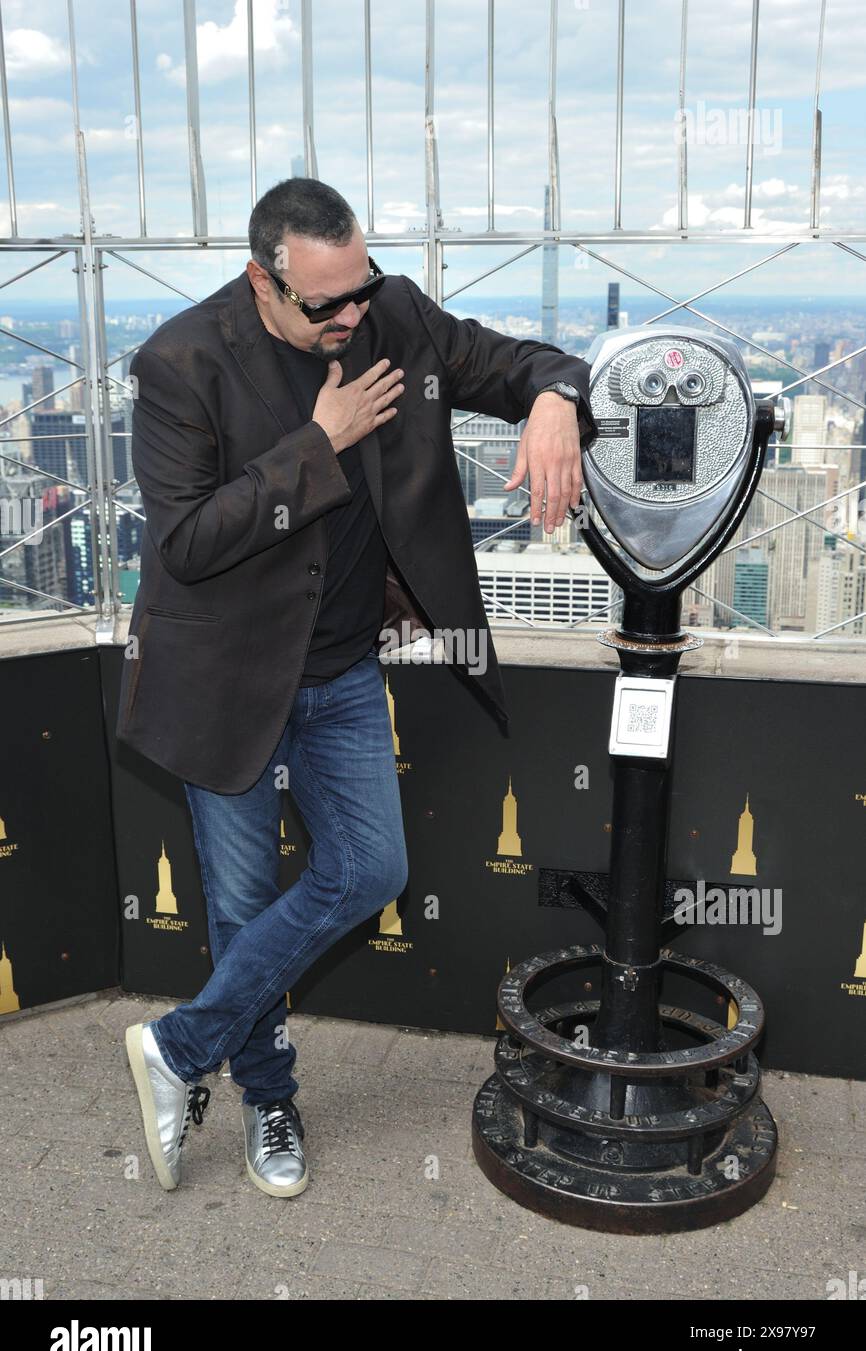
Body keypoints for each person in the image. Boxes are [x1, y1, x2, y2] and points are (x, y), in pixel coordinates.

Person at [121, 177, 598, 1198]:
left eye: (360, 289)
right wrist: (317, 443)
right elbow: (186, 543)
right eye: (323, 303)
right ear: (262, 280)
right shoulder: (180, 363)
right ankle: (268, 1099)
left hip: (339, 669)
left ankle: (175, 1046)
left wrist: (558, 396)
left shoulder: (393, 316)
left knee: (373, 868)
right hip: (227, 679)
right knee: (245, 909)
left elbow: (512, 362)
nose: (350, 317)